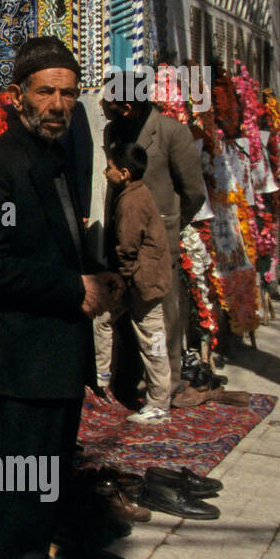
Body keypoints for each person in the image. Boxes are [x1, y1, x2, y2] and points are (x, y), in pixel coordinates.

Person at [0, 35, 123, 559]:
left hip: (57, 355)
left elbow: (55, 248)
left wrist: (97, 278)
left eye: (68, 94)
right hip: (23, 357)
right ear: (16, 96)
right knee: (16, 484)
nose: (57, 104)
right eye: (45, 91)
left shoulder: (57, 160)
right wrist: (74, 288)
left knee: (44, 479)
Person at [103, 70, 205, 400]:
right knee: (126, 313)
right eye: (116, 106)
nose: (119, 112)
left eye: (123, 105)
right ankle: (128, 381)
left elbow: (193, 192)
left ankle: (168, 385)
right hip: (123, 237)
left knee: (165, 314)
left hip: (160, 242)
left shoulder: (173, 133)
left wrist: (169, 225)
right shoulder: (113, 132)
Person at [104, 141, 173, 424]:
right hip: (145, 280)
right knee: (104, 320)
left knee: (153, 341)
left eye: (109, 168)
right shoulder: (137, 193)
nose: (105, 172)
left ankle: (159, 403)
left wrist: (124, 279)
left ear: (124, 173)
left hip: (143, 283)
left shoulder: (131, 201)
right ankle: (102, 381)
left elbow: (127, 248)